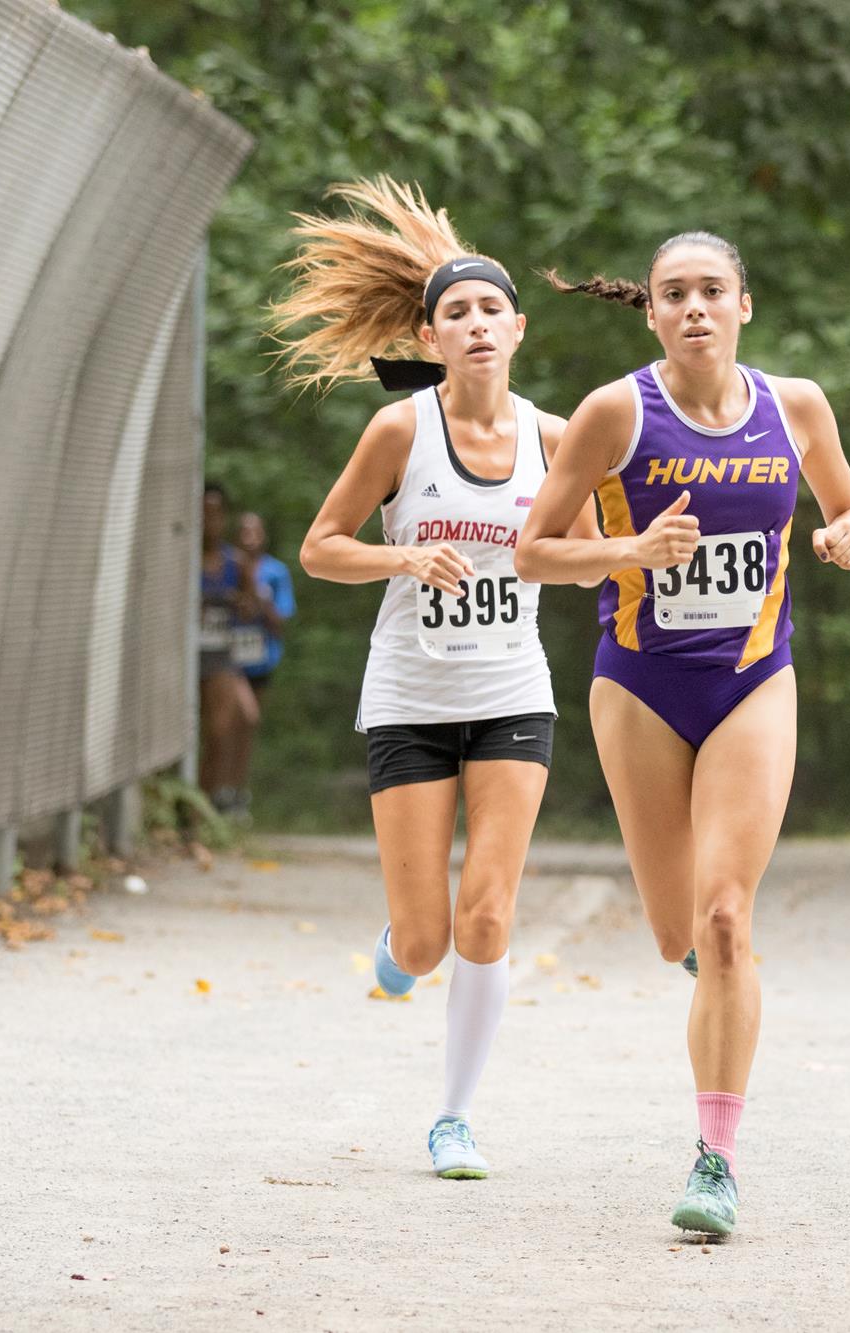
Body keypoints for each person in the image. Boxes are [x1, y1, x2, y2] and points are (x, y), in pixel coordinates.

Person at [514, 232, 850, 1236]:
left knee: (724, 918)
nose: (694, 309)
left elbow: (848, 510)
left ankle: (714, 1159)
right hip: (638, 686)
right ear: (651, 313)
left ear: (743, 305)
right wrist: (631, 548)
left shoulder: (793, 407)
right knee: (676, 931)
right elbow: (535, 552)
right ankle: (712, 975)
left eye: (711, 291)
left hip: (753, 680)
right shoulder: (614, 413)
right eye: (673, 294)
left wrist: (847, 532)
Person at [275, 177, 599, 1180]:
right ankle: (397, 947)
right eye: (454, 313)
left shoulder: (556, 439)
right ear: (429, 335)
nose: (475, 326)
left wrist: (628, 553)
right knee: (423, 945)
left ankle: (453, 1117)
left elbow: (583, 555)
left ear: (518, 327)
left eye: (490, 310)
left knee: (487, 915)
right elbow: (321, 547)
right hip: (411, 697)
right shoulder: (397, 433)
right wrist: (399, 558)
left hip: (511, 693)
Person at [226, 512, 297, 817]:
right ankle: (221, 790)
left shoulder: (275, 572)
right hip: (227, 659)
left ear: (264, 535)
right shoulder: (225, 564)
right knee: (233, 721)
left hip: (260, 659)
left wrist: (258, 598)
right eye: (244, 531)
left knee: (245, 727)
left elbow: (281, 620)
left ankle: (237, 792)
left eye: (255, 531)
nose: (249, 537)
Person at [198, 482, 260, 817]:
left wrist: (238, 602)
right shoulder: (182, 559)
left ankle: (206, 805)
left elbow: (252, 607)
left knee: (221, 730)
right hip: (181, 659)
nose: (210, 522)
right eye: (203, 514)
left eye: (216, 514)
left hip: (220, 655)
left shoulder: (234, 563)